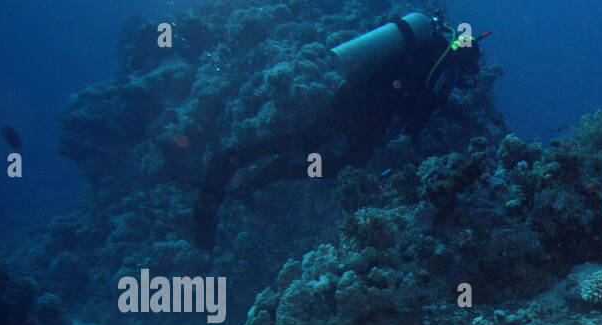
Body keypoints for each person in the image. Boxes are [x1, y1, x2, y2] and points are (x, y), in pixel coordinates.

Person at [192, 10, 485, 250]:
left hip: (353, 88)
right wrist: (408, 136)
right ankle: (278, 171)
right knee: (352, 162)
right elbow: (419, 110)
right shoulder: (448, 70)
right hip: (374, 106)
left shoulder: (427, 41)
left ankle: (235, 157)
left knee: (308, 136)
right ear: (467, 63)